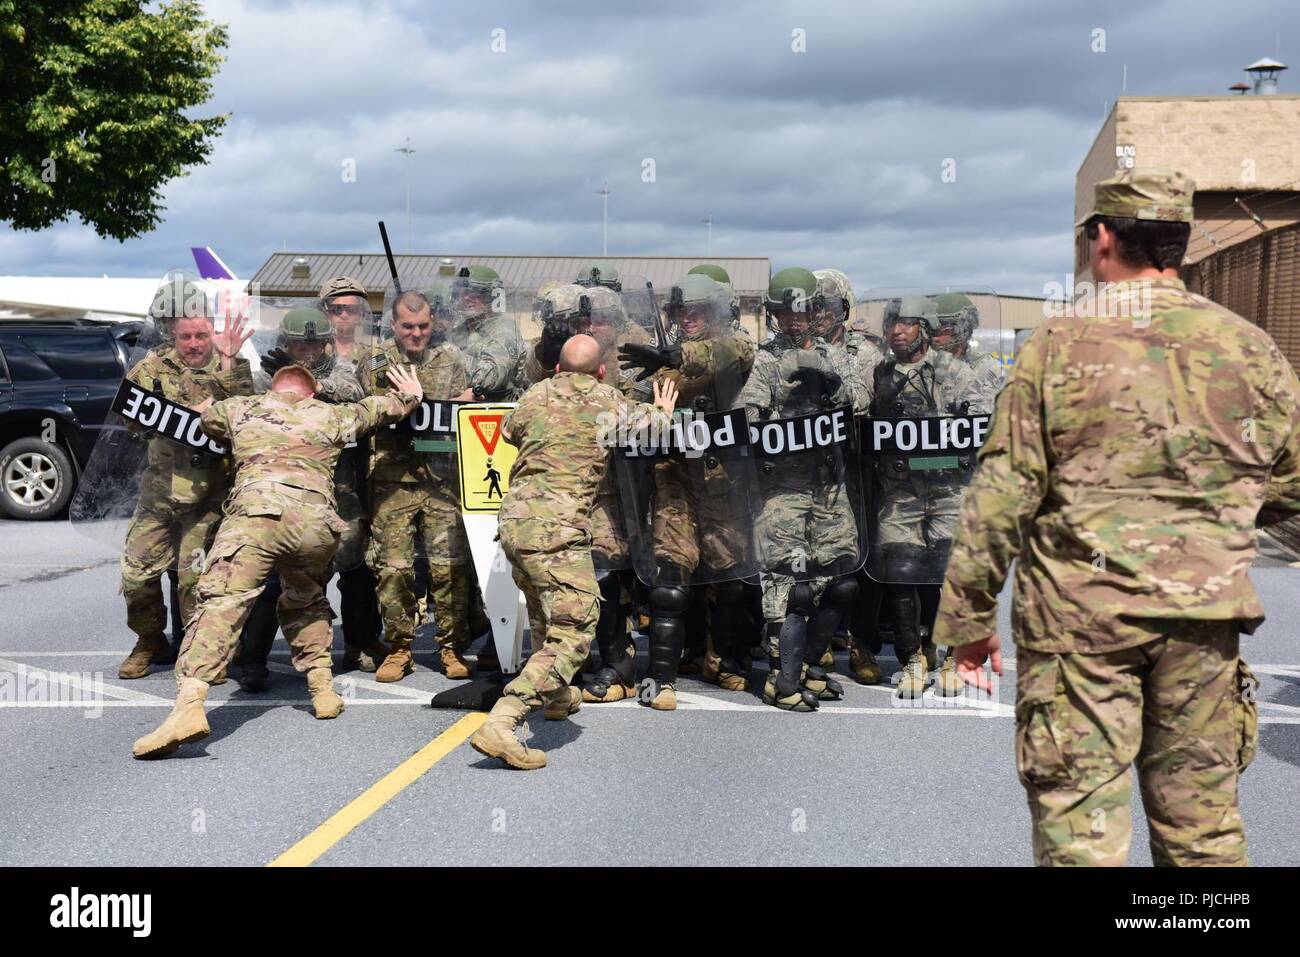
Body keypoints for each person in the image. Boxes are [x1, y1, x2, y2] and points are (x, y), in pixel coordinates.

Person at [934, 168, 1300, 866]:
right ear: (1181, 246)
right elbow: (1291, 485)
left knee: (1081, 835)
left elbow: (1001, 495)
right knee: (1203, 837)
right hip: (1203, 627)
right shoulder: (1251, 348)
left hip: (1080, 631)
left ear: (1102, 239)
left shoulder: (1057, 345)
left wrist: (967, 622)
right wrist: (1212, 519)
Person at [131, 363, 425, 759]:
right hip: (316, 528)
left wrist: (208, 408)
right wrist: (411, 395)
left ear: (272, 389)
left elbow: (206, 419)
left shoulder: (241, 409)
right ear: (309, 392)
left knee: (222, 603)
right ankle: (322, 690)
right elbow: (380, 409)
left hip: (257, 519)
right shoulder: (332, 414)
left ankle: (189, 706)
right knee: (305, 597)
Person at [470, 336, 676, 769]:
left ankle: (558, 696)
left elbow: (510, 432)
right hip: (558, 532)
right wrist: (662, 408)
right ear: (601, 371)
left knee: (547, 614)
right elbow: (654, 428)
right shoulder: (608, 400)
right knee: (576, 627)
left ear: (558, 369)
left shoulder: (535, 394)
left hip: (515, 525)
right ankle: (504, 721)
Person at [617, 273, 757, 710]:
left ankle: (721, 662)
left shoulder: (734, 344)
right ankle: (661, 679)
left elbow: (727, 355)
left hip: (722, 483)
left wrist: (671, 355)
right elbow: (633, 401)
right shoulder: (659, 359)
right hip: (674, 478)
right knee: (671, 579)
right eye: (679, 311)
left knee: (730, 579)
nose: (686, 318)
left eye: (695, 310)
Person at [234, 303, 390, 690]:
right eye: (298, 346)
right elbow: (242, 410)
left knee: (355, 572)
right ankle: (253, 657)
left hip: (339, 490)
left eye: (314, 346)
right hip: (281, 489)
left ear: (326, 346)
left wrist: (310, 385)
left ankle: (361, 642)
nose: (306, 353)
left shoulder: (339, 372)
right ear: (285, 343)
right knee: (274, 578)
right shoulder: (266, 378)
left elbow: (354, 395)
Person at [740, 268, 868, 710]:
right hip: (783, 488)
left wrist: (839, 391)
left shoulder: (835, 354)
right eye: (785, 314)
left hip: (830, 487)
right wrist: (786, 414)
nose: (795, 322)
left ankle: (809, 665)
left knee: (840, 582)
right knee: (788, 586)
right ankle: (783, 677)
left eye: (803, 312)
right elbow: (747, 419)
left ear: (816, 312)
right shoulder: (765, 359)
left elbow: (863, 397)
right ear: (773, 315)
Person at [115, 281, 254, 680]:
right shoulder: (151, 369)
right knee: (136, 575)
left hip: (208, 496)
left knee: (195, 580)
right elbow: (128, 421)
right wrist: (169, 414)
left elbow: (246, 410)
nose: (194, 344)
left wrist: (227, 365)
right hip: (158, 494)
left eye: (201, 335)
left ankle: (202, 652)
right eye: (186, 336)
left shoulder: (229, 365)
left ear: (212, 332)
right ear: (172, 335)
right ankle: (150, 640)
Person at [866, 295, 986, 699]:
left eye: (907, 323)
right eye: (891, 324)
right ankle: (912, 660)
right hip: (899, 493)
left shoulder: (955, 372)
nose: (897, 331)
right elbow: (856, 417)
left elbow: (981, 432)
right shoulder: (878, 374)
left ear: (925, 329)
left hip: (949, 491)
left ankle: (953, 658)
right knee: (900, 574)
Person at [361, 289, 474, 682]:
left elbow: (462, 405)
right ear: (393, 325)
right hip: (394, 481)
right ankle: (399, 647)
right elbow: (379, 410)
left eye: (423, 326)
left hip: (442, 478)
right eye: (407, 326)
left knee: (449, 569)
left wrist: (452, 401)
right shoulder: (377, 363)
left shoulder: (451, 359)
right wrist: (416, 401)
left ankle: (450, 647)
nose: (416, 333)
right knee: (394, 570)